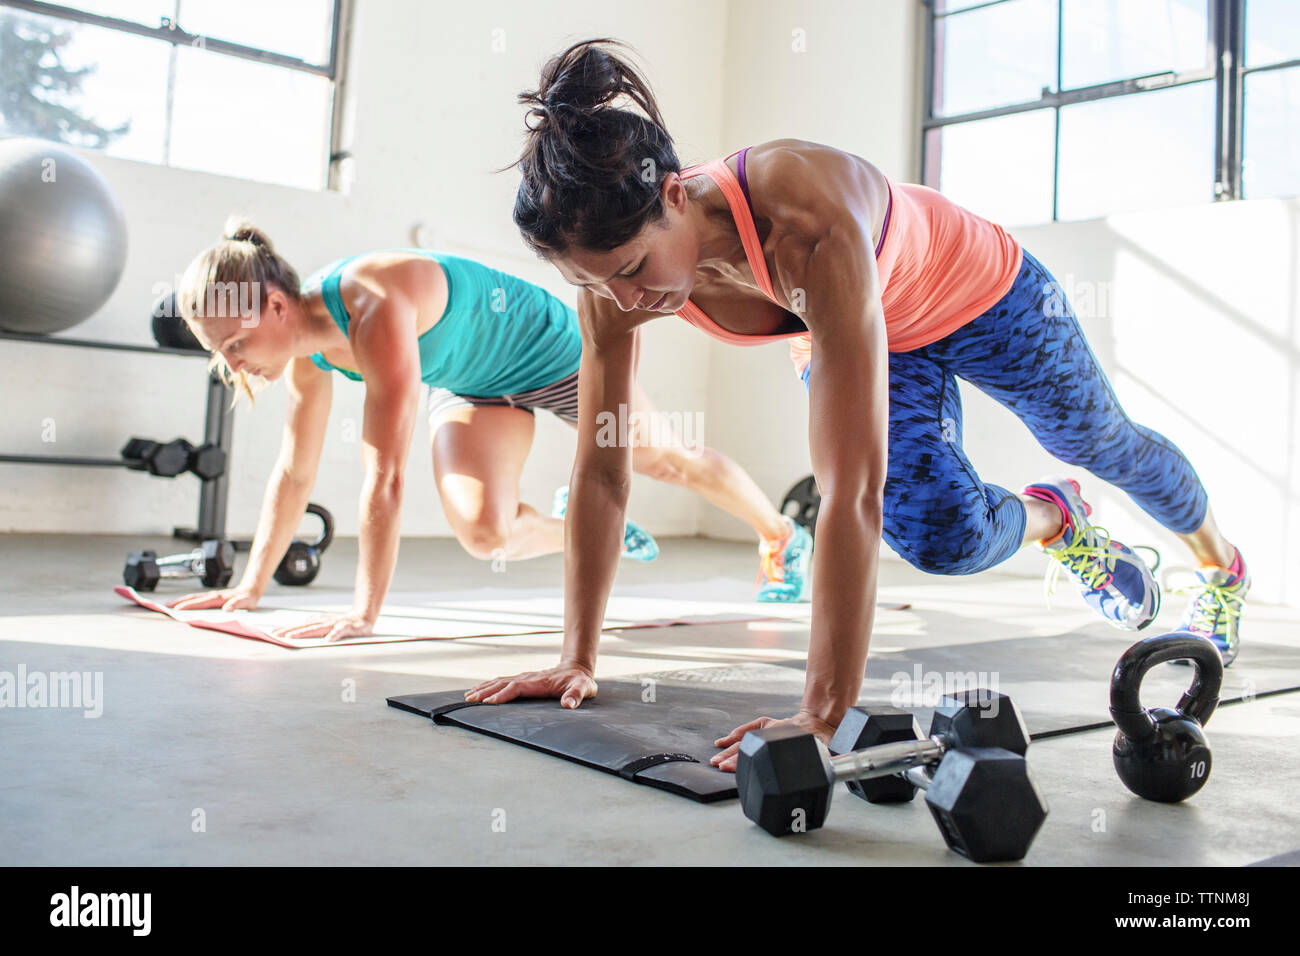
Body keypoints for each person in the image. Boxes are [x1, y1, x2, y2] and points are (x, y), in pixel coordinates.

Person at [465, 39, 1248, 771]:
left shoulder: (802, 217)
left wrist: (823, 712)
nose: (622, 300)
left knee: (1101, 441)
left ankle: (1220, 567)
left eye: (633, 268)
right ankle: (1056, 519)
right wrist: (578, 656)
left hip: (983, 294)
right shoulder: (613, 297)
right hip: (863, 332)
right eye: (594, 283)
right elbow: (603, 473)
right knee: (941, 536)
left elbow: (850, 491)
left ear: (674, 193)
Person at [167, 221, 810, 639]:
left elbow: (384, 476)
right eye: (221, 353)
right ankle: (584, 525)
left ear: (276, 306)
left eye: (236, 342)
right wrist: (249, 589)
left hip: (550, 349)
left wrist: (364, 614)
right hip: (474, 383)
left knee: (665, 458)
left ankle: (781, 536)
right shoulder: (304, 355)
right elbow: (294, 471)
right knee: (485, 534)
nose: (233, 364)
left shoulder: (371, 302)